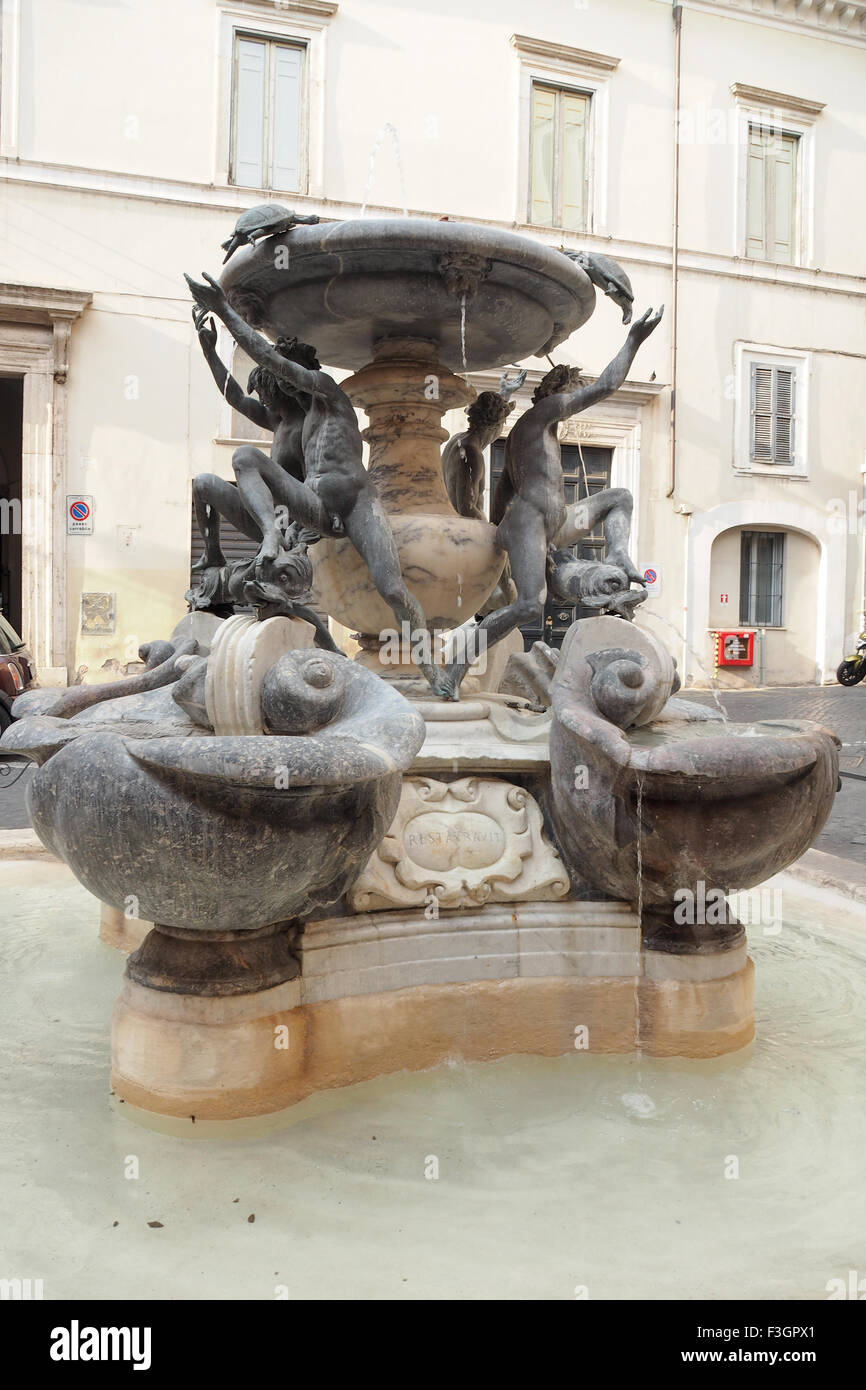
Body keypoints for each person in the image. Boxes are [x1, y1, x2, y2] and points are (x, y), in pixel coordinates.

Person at [184, 271, 449, 696]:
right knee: (243, 457)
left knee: (393, 588)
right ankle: (268, 537)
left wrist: (224, 309)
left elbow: (270, 361)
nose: (276, 384)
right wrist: (211, 350)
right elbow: (237, 397)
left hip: (355, 503)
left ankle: (433, 670)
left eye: (282, 377)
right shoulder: (292, 420)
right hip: (314, 505)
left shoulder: (328, 393)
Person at [443, 306, 663, 695]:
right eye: (571, 392)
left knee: (619, 498)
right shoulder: (544, 413)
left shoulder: (526, 436)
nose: (575, 399)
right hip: (532, 521)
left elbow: (499, 505)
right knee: (529, 605)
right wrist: (633, 341)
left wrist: (513, 544)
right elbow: (605, 387)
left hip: (547, 524)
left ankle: (615, 556)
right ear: (559, 393)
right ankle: (456, 665)